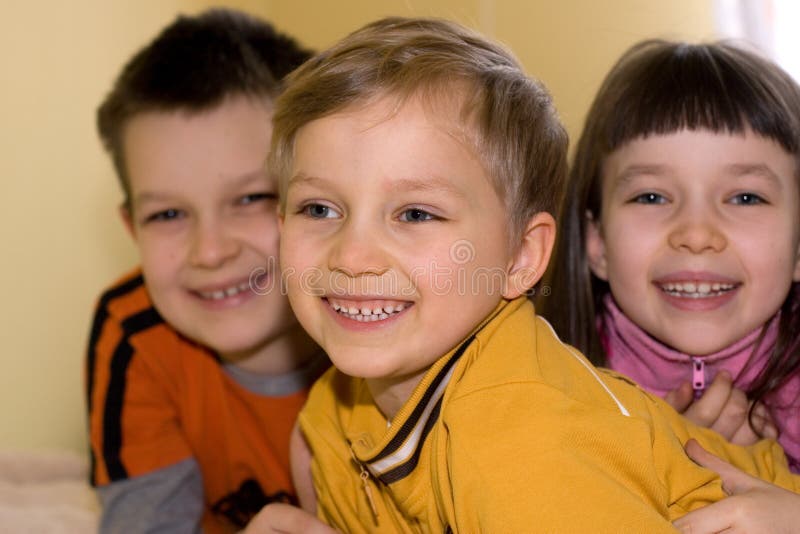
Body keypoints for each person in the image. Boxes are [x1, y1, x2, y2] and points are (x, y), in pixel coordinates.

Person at [249, 18, 800, 532]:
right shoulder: (332, 414)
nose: (352, 255)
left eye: (415, 214)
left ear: (520, 257)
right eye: (319, 209)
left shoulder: (526, 441)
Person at [86, 9, 327, 533]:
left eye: (251, 198)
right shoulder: (134, 331)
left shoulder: (396, 317)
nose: (211, 252)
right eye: (168, 215)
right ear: (132, 229)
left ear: (324, 199)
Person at [542, 39, 800, 471]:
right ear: (597, 241)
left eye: (745, 197)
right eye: (652, 196)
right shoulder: (545, 387)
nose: (696, 235)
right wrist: (657, 475)